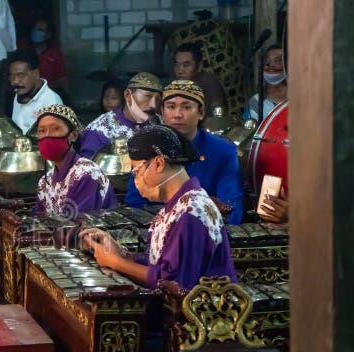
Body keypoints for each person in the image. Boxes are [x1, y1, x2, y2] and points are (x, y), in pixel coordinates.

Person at [81, 125, 237, 290]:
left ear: (158, 163)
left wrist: (117, 263)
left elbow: (175, 284)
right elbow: (161, 266)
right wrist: (122, 254)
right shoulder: (177, 206)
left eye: (136, 171)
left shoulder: (191, 213)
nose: (136, 179)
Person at [125, 80, 244, 224]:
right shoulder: (146, 147)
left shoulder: (223, 151)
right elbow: (135, 206)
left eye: (186, 107)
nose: (177, 114)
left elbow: (231, 209)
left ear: (201, 112)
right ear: (162, 111)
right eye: (171, 107)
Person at [34, 104, 117, 218]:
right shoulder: (45, 181)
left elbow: (77, 225)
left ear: (73, 135)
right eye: (42, 131)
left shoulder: (86, 174)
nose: (47, 135)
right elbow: (38, 219)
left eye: (55, 129)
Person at [77, 72, 162, 159]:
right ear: (127, 95)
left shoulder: (160, 123)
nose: (153, 105)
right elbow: (89, 170)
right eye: (147, 96)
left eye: (158, 100)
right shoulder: (99, 131)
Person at [8, 49, 63, 134]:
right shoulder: (20, 92)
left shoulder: (51, 100)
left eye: (20, 75)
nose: (14, 82)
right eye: (12, 76)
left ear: (36, 74)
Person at [173, 42, 225, 118]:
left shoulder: (210, 84)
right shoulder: (174, 84)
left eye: (186, 65)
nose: (180, 70)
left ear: (199, 66)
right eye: (176, 65)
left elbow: (217, 116)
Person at [245, 44, 287, 121]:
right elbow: (249, 130)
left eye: (277, 60)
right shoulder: (256, 101)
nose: (271, 64)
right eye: (267, 60)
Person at [29, 17, 68, 94]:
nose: (36, 32)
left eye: (40, 30)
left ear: (49, 35)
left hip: (49, 93)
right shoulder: (24, 50)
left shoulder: (54, 53)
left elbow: (62, 78)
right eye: (35, 28)